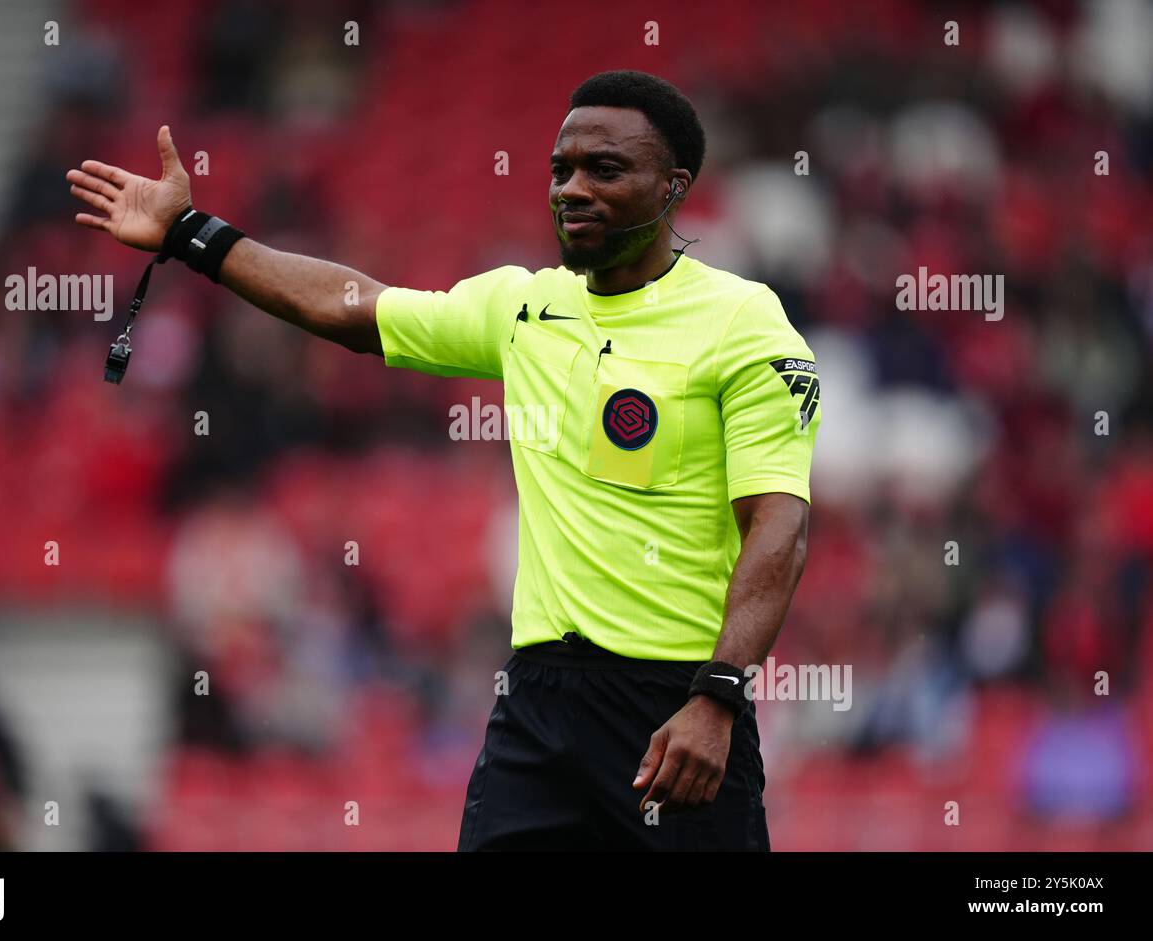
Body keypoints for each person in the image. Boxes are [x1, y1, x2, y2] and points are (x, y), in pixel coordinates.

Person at [67, 69, 822, 851]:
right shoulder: (523, 305)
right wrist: (192, 233)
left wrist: (720, 696)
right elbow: (352, 307)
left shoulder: (742, 324)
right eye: (560, 170)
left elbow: (778, 527)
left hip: (675, 700)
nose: (572, 188)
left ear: (674, 187)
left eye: (605, 169)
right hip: (538, 705)